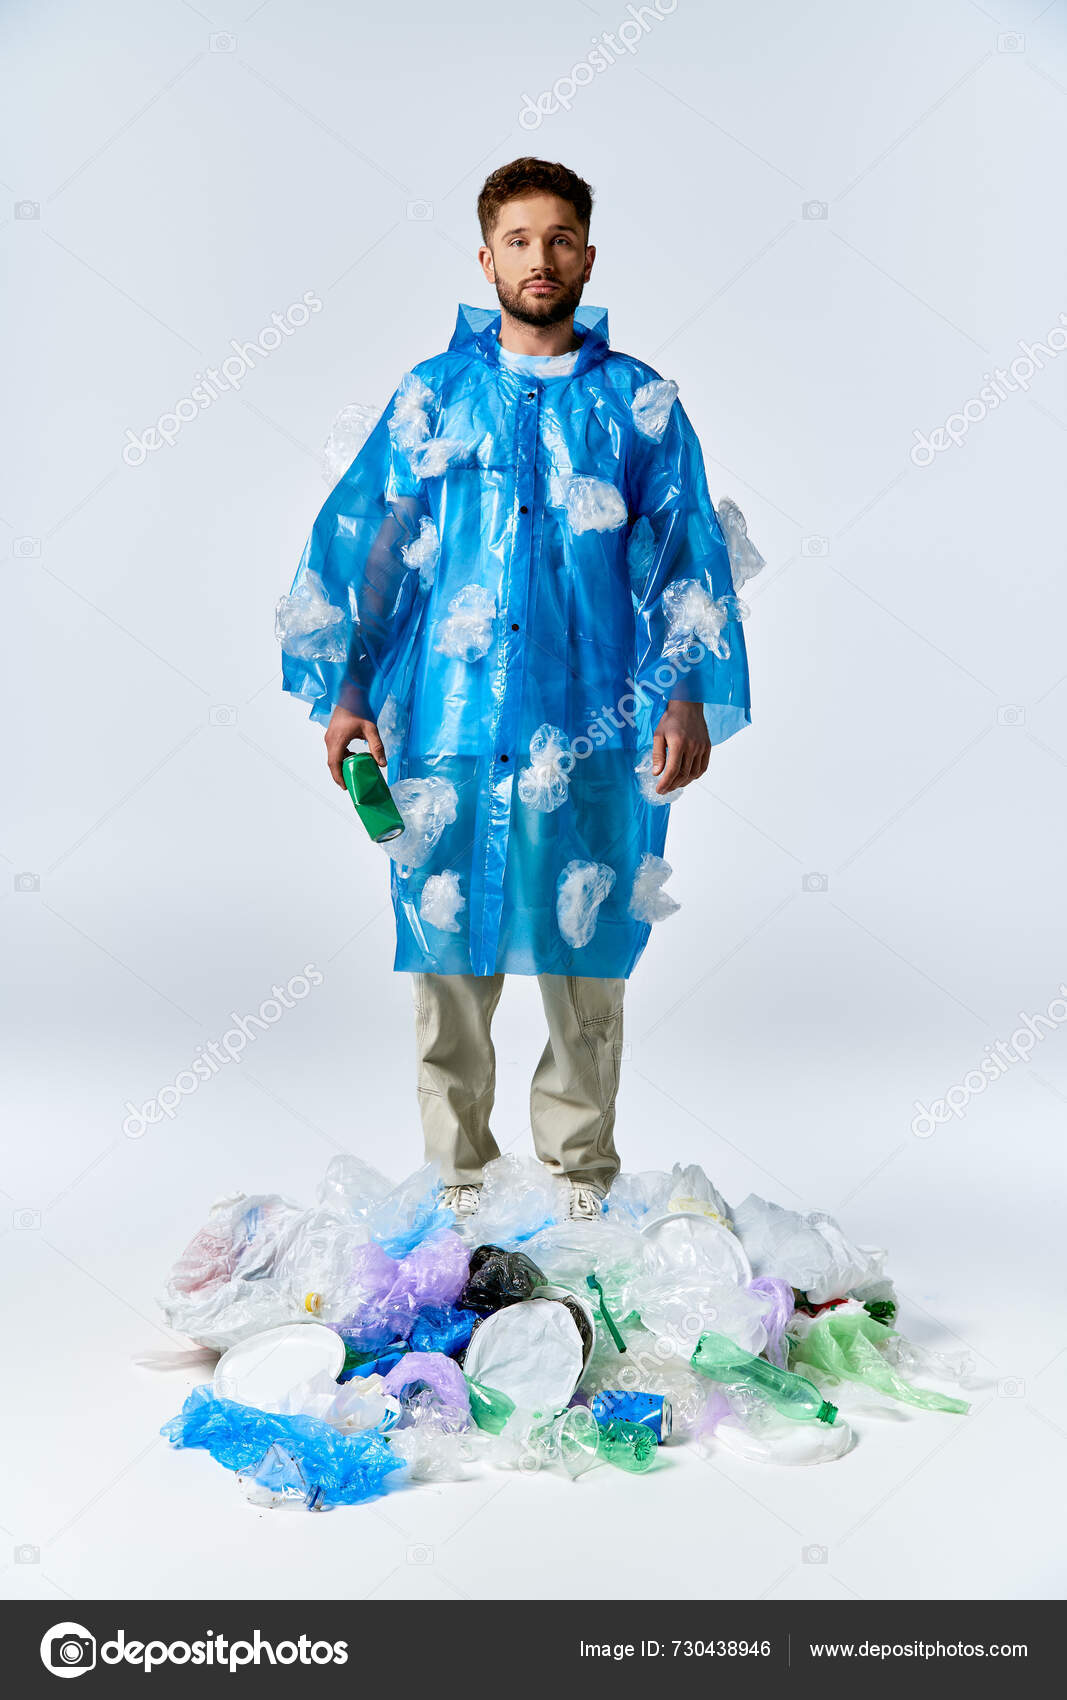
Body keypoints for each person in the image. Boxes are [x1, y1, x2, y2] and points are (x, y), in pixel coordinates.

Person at [278, 157, 755, 1224]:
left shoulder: (635, 403)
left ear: (586, 256)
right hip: (447, 717)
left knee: (587, 949)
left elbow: (681, 552)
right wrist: (349, 688)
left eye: (559, 239)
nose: (540, 258)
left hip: (590, 721)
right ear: (485, 258)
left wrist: (682, 691)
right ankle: (458, 1186)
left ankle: (578, 1183)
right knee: (447, 955)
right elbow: (375, 551)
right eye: (519, 240)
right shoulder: (433, 395)